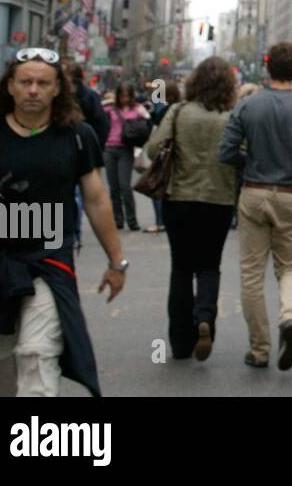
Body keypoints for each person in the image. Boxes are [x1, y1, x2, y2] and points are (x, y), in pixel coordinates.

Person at [0, 48, 126, 396]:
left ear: (56, 89)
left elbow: (96, 200)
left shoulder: (78, 136)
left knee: (38, 354)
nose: (33, 89)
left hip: (49, 261)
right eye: (25, 82)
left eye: (42, 83)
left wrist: (117, 262)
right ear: (10, 87)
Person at [218, 42, 292, 370]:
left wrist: (250, 160)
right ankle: (291, 317)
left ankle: (260, 348)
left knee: (252, 273)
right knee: (290, 266)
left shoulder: (249, 105)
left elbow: (225, 152)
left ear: (268, 68)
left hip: (253, 191)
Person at [144, 57, 238, 362]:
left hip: (180, 199)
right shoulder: (231, 116)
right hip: (219, 201)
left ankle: (180, 342)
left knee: (181, 269)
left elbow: (152, 149)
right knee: (210, 265)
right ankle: (205, 318)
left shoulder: (178, 111)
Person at [103, 83, 150, 232]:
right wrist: (107, 100)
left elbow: (149, 120)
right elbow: (97, 113)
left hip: (126, 150)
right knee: (114, 188)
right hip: (109, 149)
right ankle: (118, 220)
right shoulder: (110, 109)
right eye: (122, 96)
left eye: (127, 96)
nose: (124, 99)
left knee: (125, 186)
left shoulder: (137, 110)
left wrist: (144, 112)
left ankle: (132, 220)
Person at [142, 80, 182, 234]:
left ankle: (160, 221)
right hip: (176, 155)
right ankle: (163, 220)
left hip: (165, 153)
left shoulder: (168, 110)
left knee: (159, 185)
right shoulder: (178, 108)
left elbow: (158, 128)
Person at [63, 63, 109, 149]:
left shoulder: (90, 96)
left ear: (72, 77)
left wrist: (95, 146)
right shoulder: (61, 95)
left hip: (85, 145)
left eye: (65, 74)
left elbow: (102, 123)